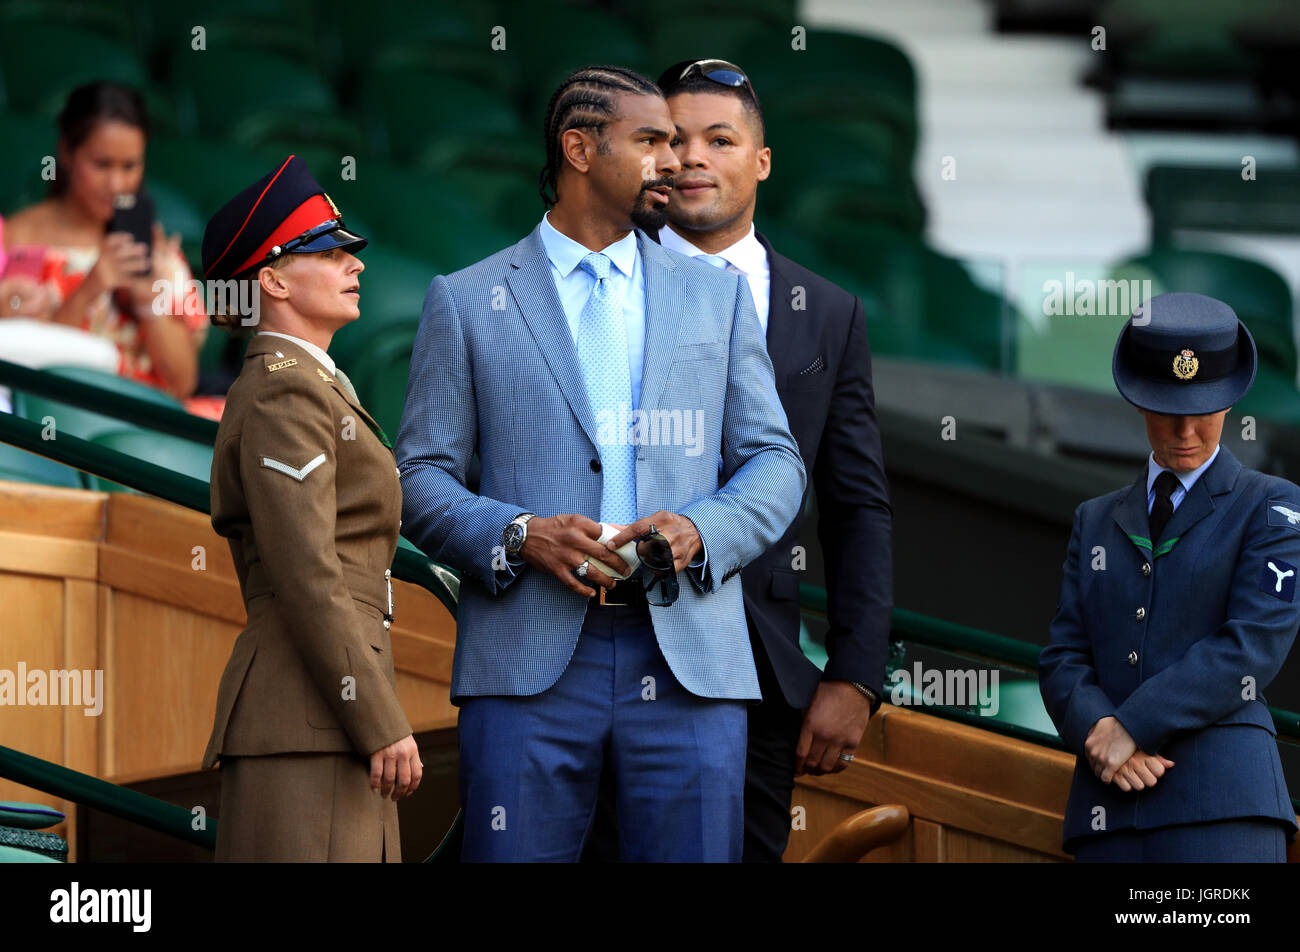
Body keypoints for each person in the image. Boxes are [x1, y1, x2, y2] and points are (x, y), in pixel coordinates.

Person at [396, 65, 806, 862]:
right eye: (651, 140)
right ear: (579, 149)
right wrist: (517, 534)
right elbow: (417, 478)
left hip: (691, 662)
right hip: (527, 667)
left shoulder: (716, 294)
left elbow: (775, 460)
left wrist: (700, 527)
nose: (674, 161)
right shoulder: (467, 298)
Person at [584, 58, 894, 863]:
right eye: (673, 139)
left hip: (758, 673)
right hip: (599, 651)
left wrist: (856, 674)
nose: (692, 157)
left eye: (719, 139)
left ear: (760, 160)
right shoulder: (592, 286)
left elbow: (857, 505)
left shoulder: (828, 313)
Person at [199, 155, 420, 862]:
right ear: (272, 279)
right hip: (309, 714)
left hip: (328, 711)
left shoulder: (311, 384)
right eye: (328, 252)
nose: (354, 264)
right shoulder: (282, 389)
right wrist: (380, 719)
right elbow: (306, 570)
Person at [1039, 291, 1300, 862]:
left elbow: (1252, 645)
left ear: (1230, 403)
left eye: (1202, 407)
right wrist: (1098, 729)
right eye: (1167, 407)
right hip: (1107, 810)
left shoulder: (1274, 506)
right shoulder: (1095, 518)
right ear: (1138, 402)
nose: (1185, 429)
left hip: (1224, 806)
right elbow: (1063, 656)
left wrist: (1129, 725)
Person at [0, 82, 215, 416]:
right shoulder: (18, 239)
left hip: (145, 422)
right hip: (52, 414)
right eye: (101, 165)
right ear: (67, 154)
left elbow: (182, 384)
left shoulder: (155, 249)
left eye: (130, 166)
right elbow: (28, 359)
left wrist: (149, 300)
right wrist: (93, 286)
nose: (116, 184)